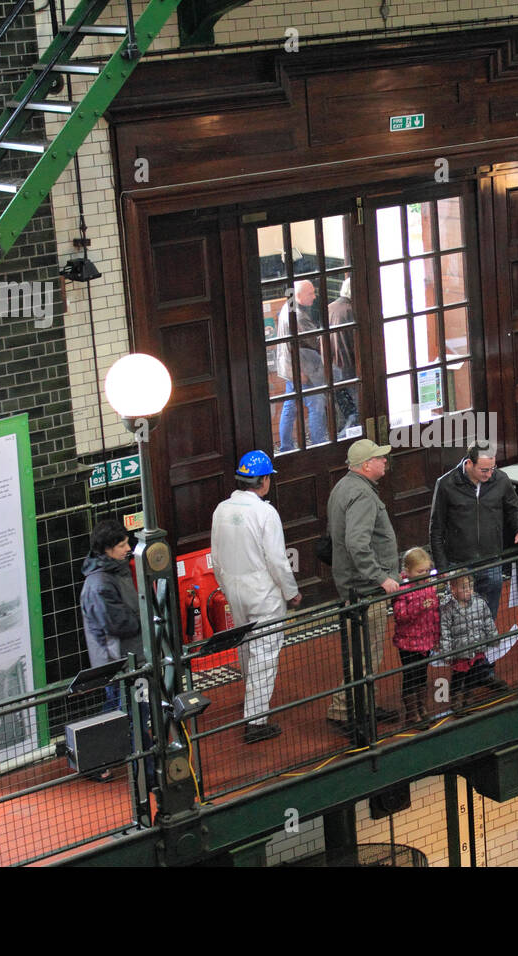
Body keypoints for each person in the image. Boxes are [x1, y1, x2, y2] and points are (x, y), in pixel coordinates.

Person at [210, 451, 302, 744]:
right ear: (263, 480)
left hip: (234, 587)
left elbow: (215, 556)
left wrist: (225, 586)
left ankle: (253, 701)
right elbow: (277, 559)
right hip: (263, 591)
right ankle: (255, 720)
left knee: (246, 646)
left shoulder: (221, 509)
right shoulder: (265, 513)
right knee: (266, 652)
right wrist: (291, 592)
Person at [327, 438, 400, 732]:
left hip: (351, 586)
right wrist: (381, 577)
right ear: (366, 465)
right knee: (366, 653)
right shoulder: (363, 495)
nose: (385, 462)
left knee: (361, 652)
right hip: (365, 591)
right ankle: (347, 711)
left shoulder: (343, 487)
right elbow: (357, 544)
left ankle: (363, 705)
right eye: (380, 458)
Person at [428, 439, 518, 621]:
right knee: (459, 617)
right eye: (484, 470)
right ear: (469, 463)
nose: (489, 474)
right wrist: (442, 567)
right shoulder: (446, 484)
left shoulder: (500, 479)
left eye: (492, 468)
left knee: (488, 613)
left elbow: (514, 508)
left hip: (491, 558)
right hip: (459, 563)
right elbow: (436, 528)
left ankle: (484, 647)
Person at [79, 518, 141, 781]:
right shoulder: (101, 584)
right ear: (107, 549)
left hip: (124, 658)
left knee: (123, 709)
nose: (128, 547)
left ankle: (97, 759)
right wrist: (144, 618)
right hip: (116, 661)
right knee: (123, 710)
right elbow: (117, 623)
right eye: (122, 544)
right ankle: (94, 760)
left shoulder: (114, 573)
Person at [437, 573, 508, 708]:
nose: (469, 590)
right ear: (453, 590)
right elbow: (444, 631)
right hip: (460, 651)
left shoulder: (480, 603)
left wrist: (493, 637)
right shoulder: (447, 608)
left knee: (473, 674)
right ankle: (456, 699)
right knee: (459, 676)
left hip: (477, 647)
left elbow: (488, 621)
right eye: (464, 588)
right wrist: (446, 652)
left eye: (470, 587)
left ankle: (468, 696)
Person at [276, 279, 328, 451]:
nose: (314, 296)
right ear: (297, 296)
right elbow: (314, 341)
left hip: (289, 368)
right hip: (304, 371)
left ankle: (286, 447)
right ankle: (319, 446)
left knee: (289, 408)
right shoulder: (298, 317)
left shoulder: (287, 306)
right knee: (316, 406)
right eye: (310, 294)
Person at [391, 547, 440, 724]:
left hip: (426, 640)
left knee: (422, 675)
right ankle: (412, 714)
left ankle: (422, 707)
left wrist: (436, 637)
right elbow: (400, 616)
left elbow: (435, 615)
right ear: (407, 571)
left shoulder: (429, 587)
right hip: (408, 643)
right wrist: (420, 607)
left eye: (427, 570)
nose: (425, 574)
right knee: (410, 676)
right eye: (420, 571)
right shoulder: (402, 589)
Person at [328, 277, 359, 437]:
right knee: (356, 412)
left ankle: (341, 437)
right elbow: (356, 342)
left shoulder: (330, 307)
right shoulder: (351, 310)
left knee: (345, 408)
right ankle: (348, 438)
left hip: (333, 366)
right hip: (349, 367)